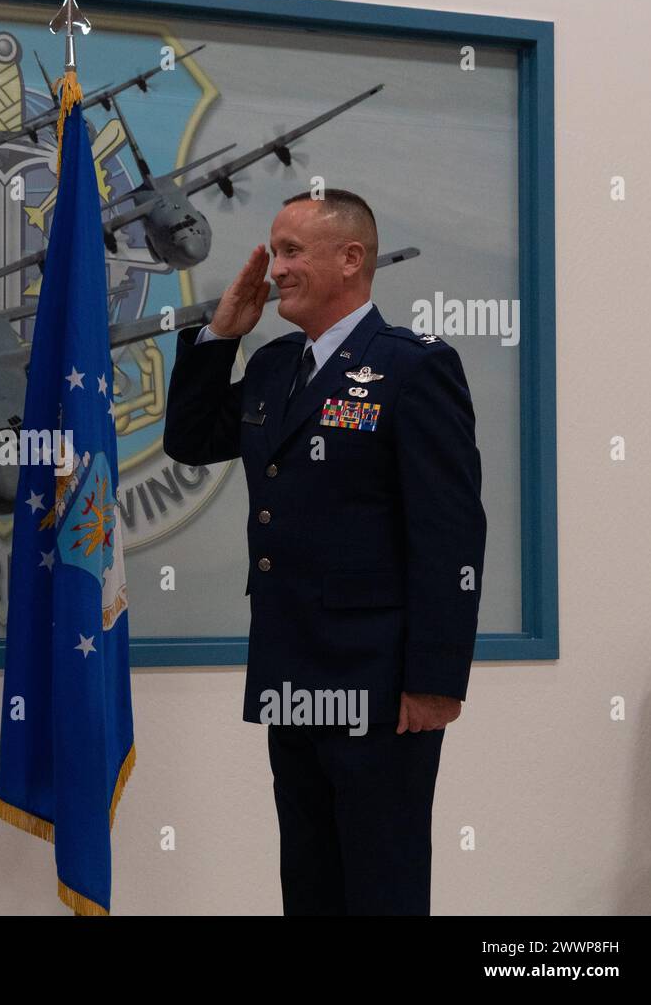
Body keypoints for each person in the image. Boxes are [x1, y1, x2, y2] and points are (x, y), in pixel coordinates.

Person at [164, 189, 486, 915]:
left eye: (290, 252)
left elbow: (450, 532)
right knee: (309, 884)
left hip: (379, 683)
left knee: (381, 884)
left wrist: (436, 680)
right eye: (274, 251)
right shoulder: (278, 366)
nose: (274, 269)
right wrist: (221, 338)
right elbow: (189, 439)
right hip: (291, 670)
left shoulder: (412, 368)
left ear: (351, 259)